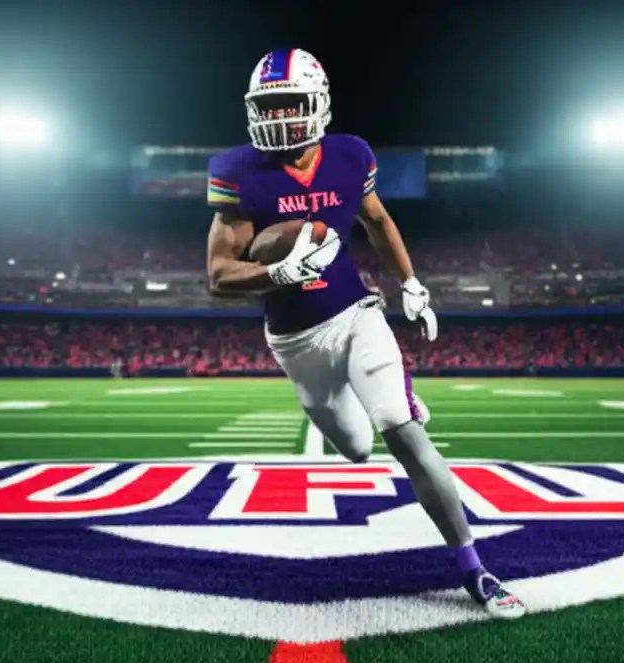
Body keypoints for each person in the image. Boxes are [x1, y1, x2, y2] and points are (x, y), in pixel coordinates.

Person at [205, 48, 525, 619]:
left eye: (290, 104)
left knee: (403, 435)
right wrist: (278, 271)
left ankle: (474, 569)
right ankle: (379, 396)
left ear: (319, 103)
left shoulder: (350, 155)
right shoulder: (236, 170)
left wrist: (410, 283)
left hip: (356, 313)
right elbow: (218, 275)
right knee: (355, 449)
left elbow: (376, 219)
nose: (279, 118)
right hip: (296, 341)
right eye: (268, 107)